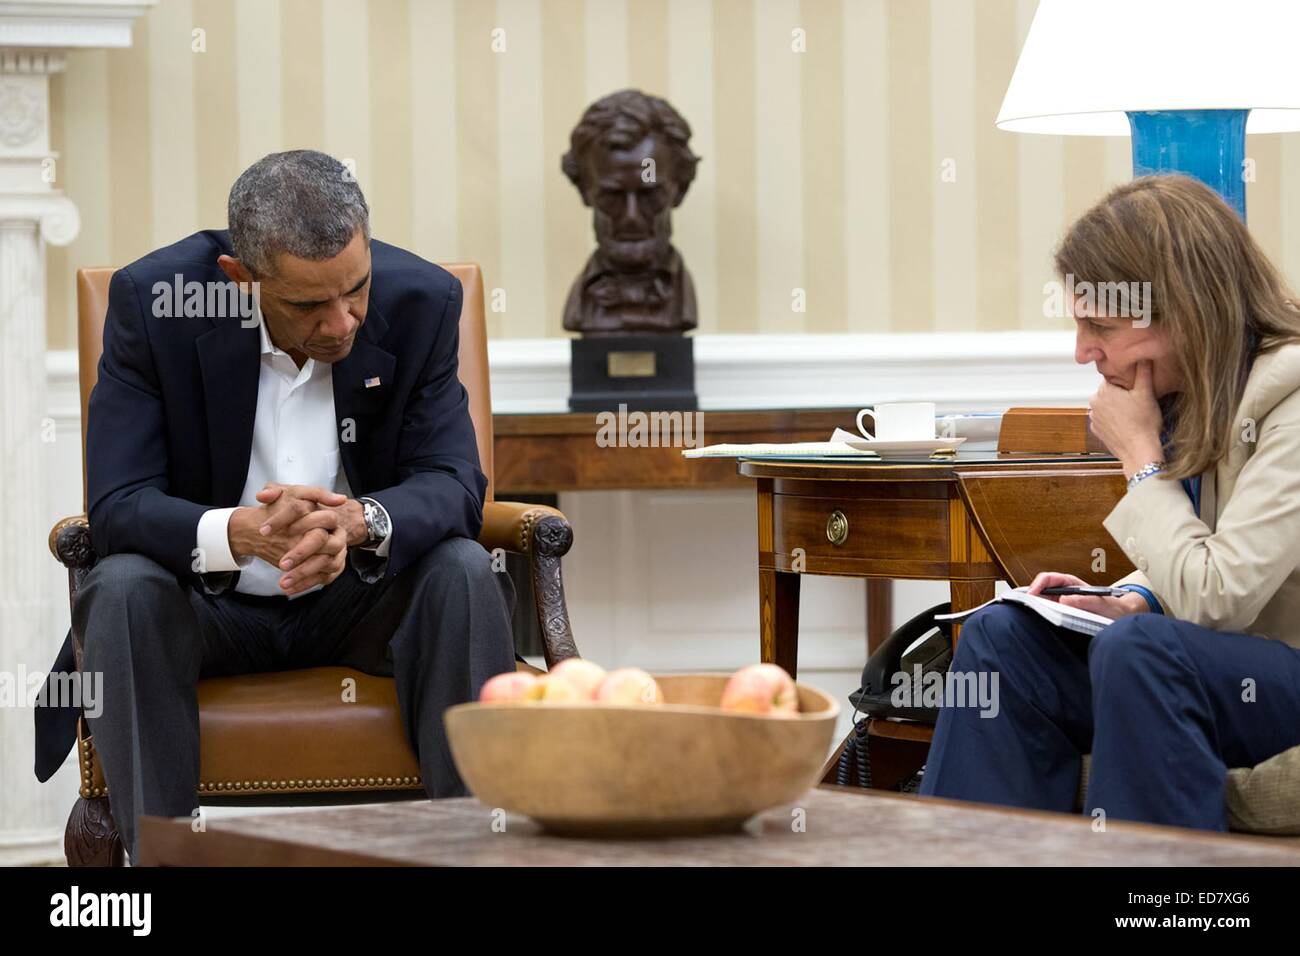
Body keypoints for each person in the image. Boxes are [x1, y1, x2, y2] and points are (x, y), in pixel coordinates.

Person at [34, 149, 516, 862]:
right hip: (206, 608)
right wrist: (237, 533)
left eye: (355, 289)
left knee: (464, 569)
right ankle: (161, 862)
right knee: (123, 588)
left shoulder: (421, 301)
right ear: (239, 279)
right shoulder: (155, 303)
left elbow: (453, 481)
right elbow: (117, 503)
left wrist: (359, 523)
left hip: (359, 600)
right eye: (307, 304)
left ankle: (475, 854)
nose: (341, 322)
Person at [919, 174, 1300, 831]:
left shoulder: (1291, 397)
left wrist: (1141, 459)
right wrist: (1131, 599)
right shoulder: (1204, 389)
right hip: (1218, 670)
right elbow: (1206, 550)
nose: (1081, 352)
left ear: (1184, 310)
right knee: (1004, 637)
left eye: (1100, 325)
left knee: (1141, 653)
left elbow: (1220, 593)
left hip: (1282, 679)